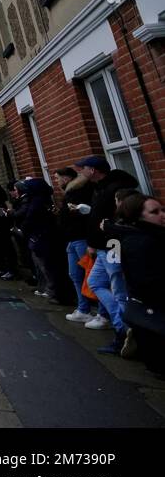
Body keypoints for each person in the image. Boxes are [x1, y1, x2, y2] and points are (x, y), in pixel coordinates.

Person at [76, 155, 139, 349]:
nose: (81, 172)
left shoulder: (115, 189)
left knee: (119, 289)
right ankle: (122, 323)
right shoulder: (100, 188)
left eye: (83, 168)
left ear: (93, 170)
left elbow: (117, 218)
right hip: (102, 245)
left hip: (112, 244)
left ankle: (125, 330)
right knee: (95, 283)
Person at [106, 194, 165, 369]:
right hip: (153, 313)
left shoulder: (151, 236)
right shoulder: (139, 241)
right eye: (155, 212)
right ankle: (121, 330)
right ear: (136, 216)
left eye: (163, 209)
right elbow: (146, 282)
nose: (163, 215)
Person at [55, 167, 97, 322]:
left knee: (91, 275)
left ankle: (100, 311)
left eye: (58, 178)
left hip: (81, 238)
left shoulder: (80, 192)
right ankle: (83, 308)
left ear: (66, 178)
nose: (57, 181)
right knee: (75, 274)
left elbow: (88, 216)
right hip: (72, 239)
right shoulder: (71, 192)